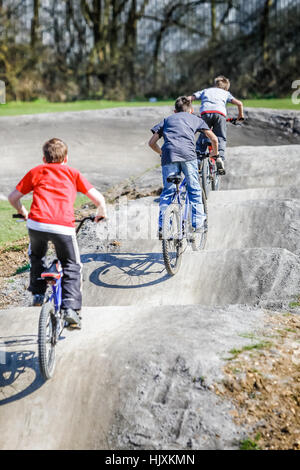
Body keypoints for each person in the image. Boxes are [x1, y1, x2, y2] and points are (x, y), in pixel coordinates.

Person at [8, 138, 107, 328]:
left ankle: (37, 293)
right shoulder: (72, 173)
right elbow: (99, 199)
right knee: (71, 265)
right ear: (66, 158)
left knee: (36, 255)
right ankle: (70, 309)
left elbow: (14, 197)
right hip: (62, 226)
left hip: (37, 224)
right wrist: (101, 213)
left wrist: (23, 212)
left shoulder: (36, 171)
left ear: (43, 158)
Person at [148, 96, 219, 238]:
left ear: (175, 111)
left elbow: (151, 143)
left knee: (168, 192)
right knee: (194, 189)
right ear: (191, 110)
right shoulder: (195, 119)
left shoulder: (167, 120)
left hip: (169, 157)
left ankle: (163, 228)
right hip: (188, 156)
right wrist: (214, 154)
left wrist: (162, 153)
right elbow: (214, 139)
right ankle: (197, 224)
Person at [188, 75, 244, 175]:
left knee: (203, 136)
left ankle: (198, 160)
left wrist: (190, 111)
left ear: (215, 84)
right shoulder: (226, 93)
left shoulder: (206, 90)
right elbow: (239, 103)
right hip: (220, 115)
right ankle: (220, 158)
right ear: (226, 87)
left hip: (205, 113)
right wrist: (240, 116)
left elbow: (189, 99)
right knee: (221, 137)